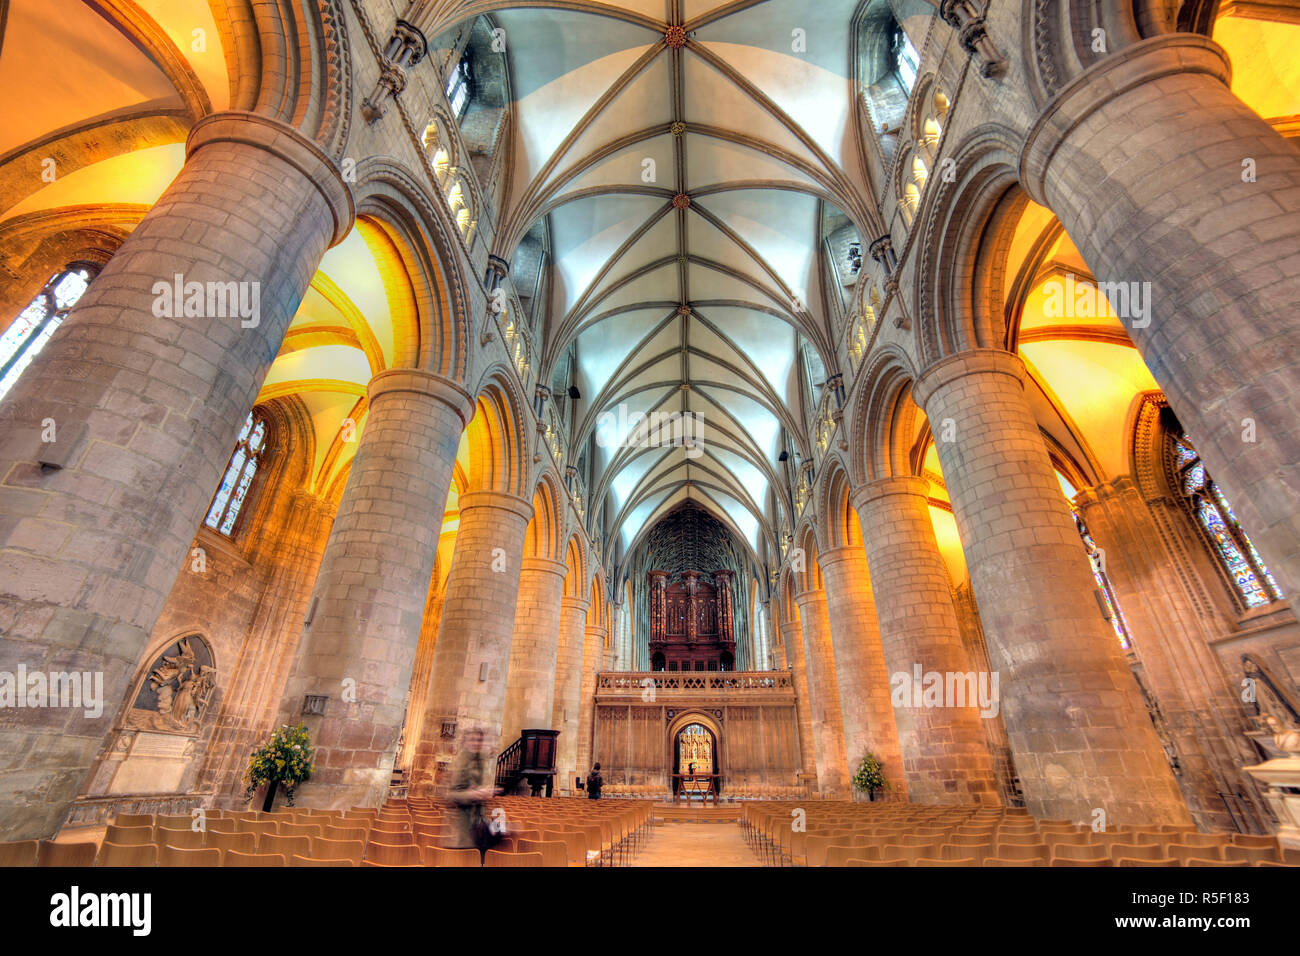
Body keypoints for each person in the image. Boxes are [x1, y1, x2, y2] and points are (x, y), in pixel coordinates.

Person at [448, 728, 499, 854]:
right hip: (462, 827)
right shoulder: (460, 762)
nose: (477, 743)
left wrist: (485, 792)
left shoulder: (478, 761)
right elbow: (450, 795)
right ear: (465, 742)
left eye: (479, 740)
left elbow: (473, 787)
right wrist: (471, 794)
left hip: (476, 826)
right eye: (473, 740)